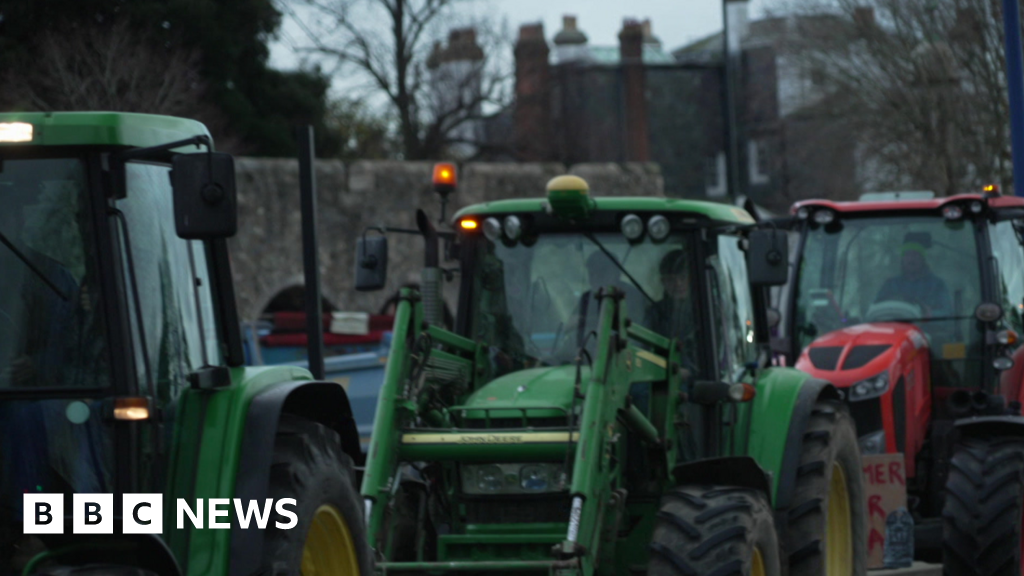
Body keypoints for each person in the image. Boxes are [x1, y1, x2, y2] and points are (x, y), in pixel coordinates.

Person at [875, 238, 952, 316]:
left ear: (922, 259)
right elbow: (876, 309)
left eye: (915, 254)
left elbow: (947, 314)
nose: (911, 259)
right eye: (907, 254)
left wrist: (930, 314)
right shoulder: (890, 284)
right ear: (902, 259)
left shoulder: (937, 285)